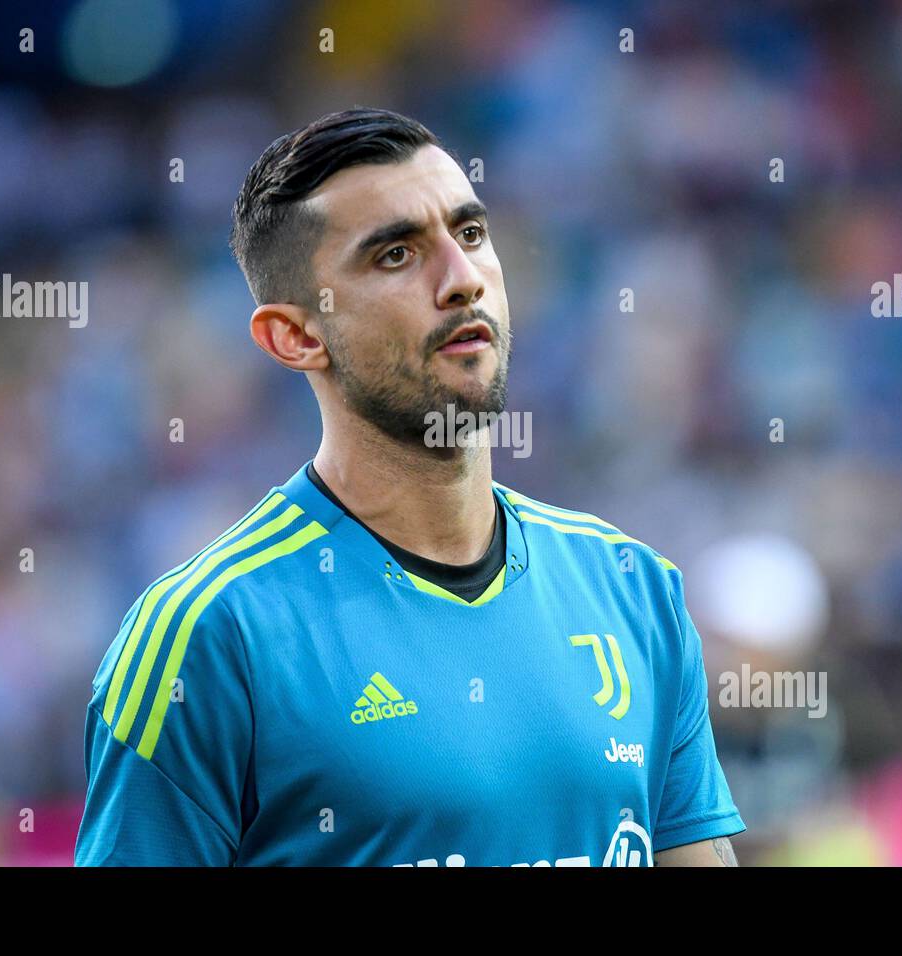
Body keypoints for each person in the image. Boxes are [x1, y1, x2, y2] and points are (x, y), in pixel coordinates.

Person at [74, 107, 744, 866]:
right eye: (395, 255)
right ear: (296, 336)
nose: (460, 281)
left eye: (469, 234)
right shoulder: (209, 636)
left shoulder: (632, 589)